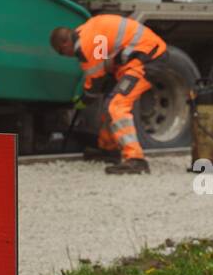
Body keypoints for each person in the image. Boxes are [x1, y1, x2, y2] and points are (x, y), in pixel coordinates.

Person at [50, 14, 172, 175]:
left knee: (117, 105)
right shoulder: (84, 31)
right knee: (109, 103)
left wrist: (83, 101)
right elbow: (102, 65)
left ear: (65, 43)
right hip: (140, 56)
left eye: (61, 52)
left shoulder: (85, 45)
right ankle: (109, 149)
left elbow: (95, 82)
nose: (65, 56)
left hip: (147, 60)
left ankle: (136, 160)